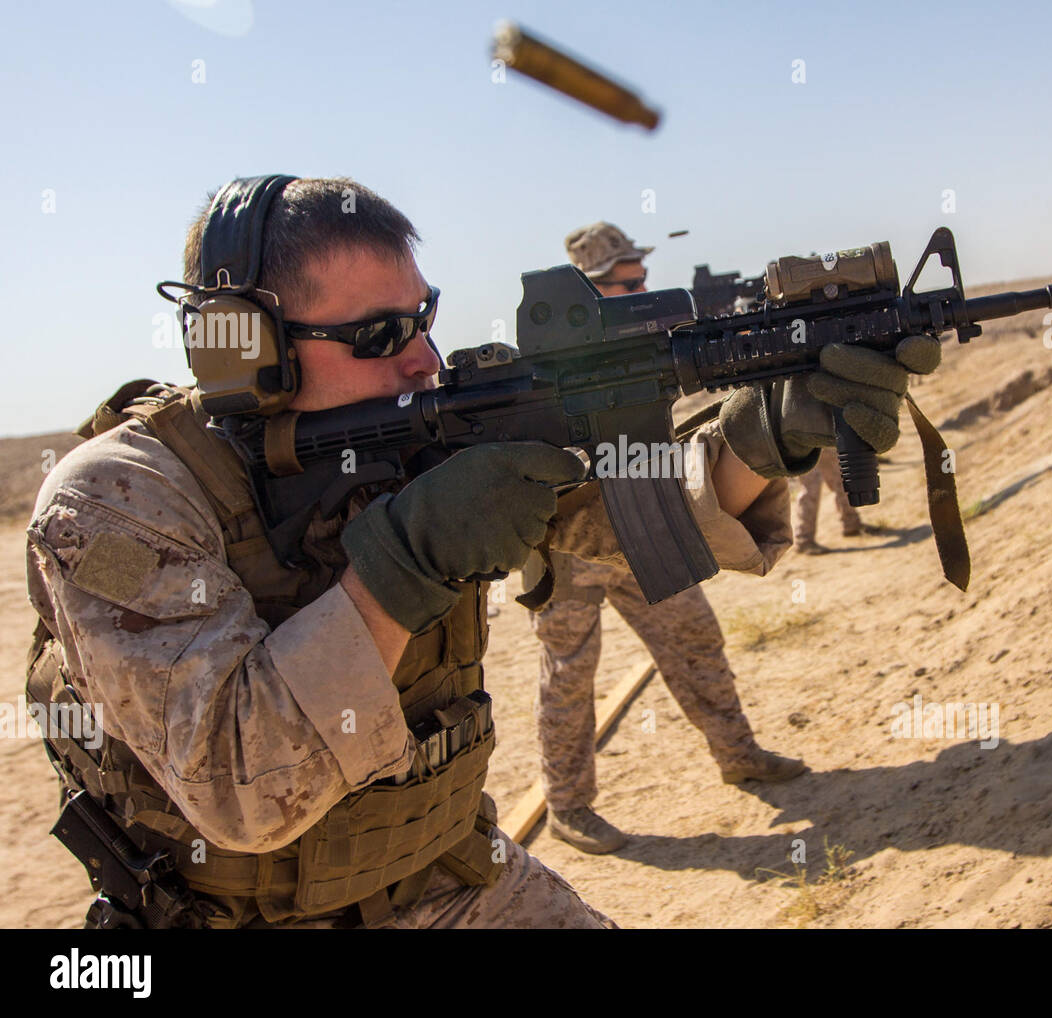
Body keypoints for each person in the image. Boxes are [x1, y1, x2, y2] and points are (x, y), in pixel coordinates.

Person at [26, 176, 939, 928]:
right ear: (245, 347)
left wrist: (769, 434)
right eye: (379, 336)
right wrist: (403, 567)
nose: (424, 356)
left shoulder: (418, 425)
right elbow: (241, 790)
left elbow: (610, 529)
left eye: (421, 316)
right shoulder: (114, 504)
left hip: (448, 869)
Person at [532, 222, 806, 856]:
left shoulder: (653, 336)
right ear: (595, 290)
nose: (646, 289)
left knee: (694, 636)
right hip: (572, 540)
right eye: (631, 282)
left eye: (643, 278)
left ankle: (737, 754)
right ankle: (567, 805)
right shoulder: (558, 355)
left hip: (643, 518)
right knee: (571, 673)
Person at [793, 448, 865, 554]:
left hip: (824, 436)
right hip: (802, 440)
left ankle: (851, 522)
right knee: (811, 486)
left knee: (840, 471)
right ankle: (804, 539)